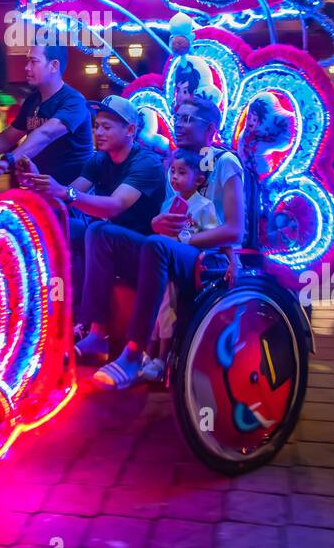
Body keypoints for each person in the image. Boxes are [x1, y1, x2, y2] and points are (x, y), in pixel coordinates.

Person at [76, 93, 244, 389]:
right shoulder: (175, 164)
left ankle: (132, 353)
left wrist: (186, 240)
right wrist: (157, 224)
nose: (179, 124)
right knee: (99, 232)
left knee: (157, 245)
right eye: (178, 117)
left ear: (210, 128)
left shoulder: (225, 161)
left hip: (208, 256)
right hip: (170, 247)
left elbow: (234, 230)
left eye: (189, 119)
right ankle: (96, 334)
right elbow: (162, 219)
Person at [21, 94, 165, 302]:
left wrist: (64, 192)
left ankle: (93, 325)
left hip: (144, 247)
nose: (98, 133)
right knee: (62, 224)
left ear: (130, 130)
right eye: (96, 126)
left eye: (106, 128)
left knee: (98, 230)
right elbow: (67, 195)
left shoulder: (146, 163)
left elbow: (114, 207)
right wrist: (35, 179)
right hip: (109, 240)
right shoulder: (99, 160)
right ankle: (57, 305)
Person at [140, 146, 238, 385]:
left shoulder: (204, 206)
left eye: (182, 173)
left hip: (190, 262)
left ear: (199, 179)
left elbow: (219, 235)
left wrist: (232, 259)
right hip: (166, 260)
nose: (175, 177)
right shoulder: (168, 205)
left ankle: (161, 358)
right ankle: (146, 351)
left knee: (166, 295)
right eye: (172, 172)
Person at [0, 43, 93, 184]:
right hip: (41, 189)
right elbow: (6, 138)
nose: (27, 67)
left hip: (70, 193)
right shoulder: (32, 100)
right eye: (27, 61)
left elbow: (46, 134)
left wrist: (8, 160)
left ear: (54, 66)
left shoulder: (74, 101)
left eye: (34, 61)